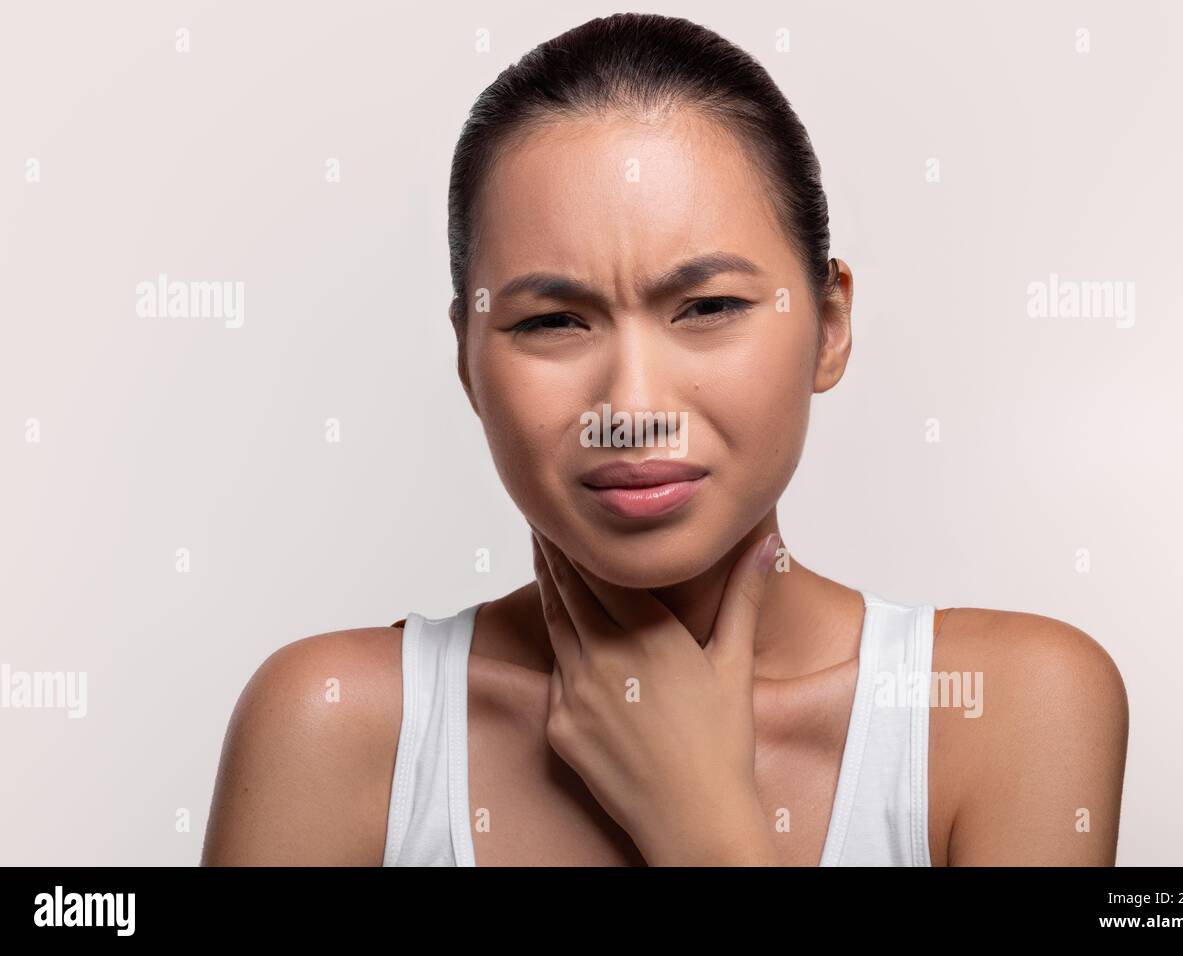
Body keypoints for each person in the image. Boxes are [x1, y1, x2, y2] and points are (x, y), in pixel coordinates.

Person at [201, 12, 1128, 867]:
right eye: (554, 322)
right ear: (466, 358)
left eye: (710, 307)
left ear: (830, 325)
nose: (633, 404)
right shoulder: (334, 724)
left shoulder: (1008, 710)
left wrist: (704, 823)